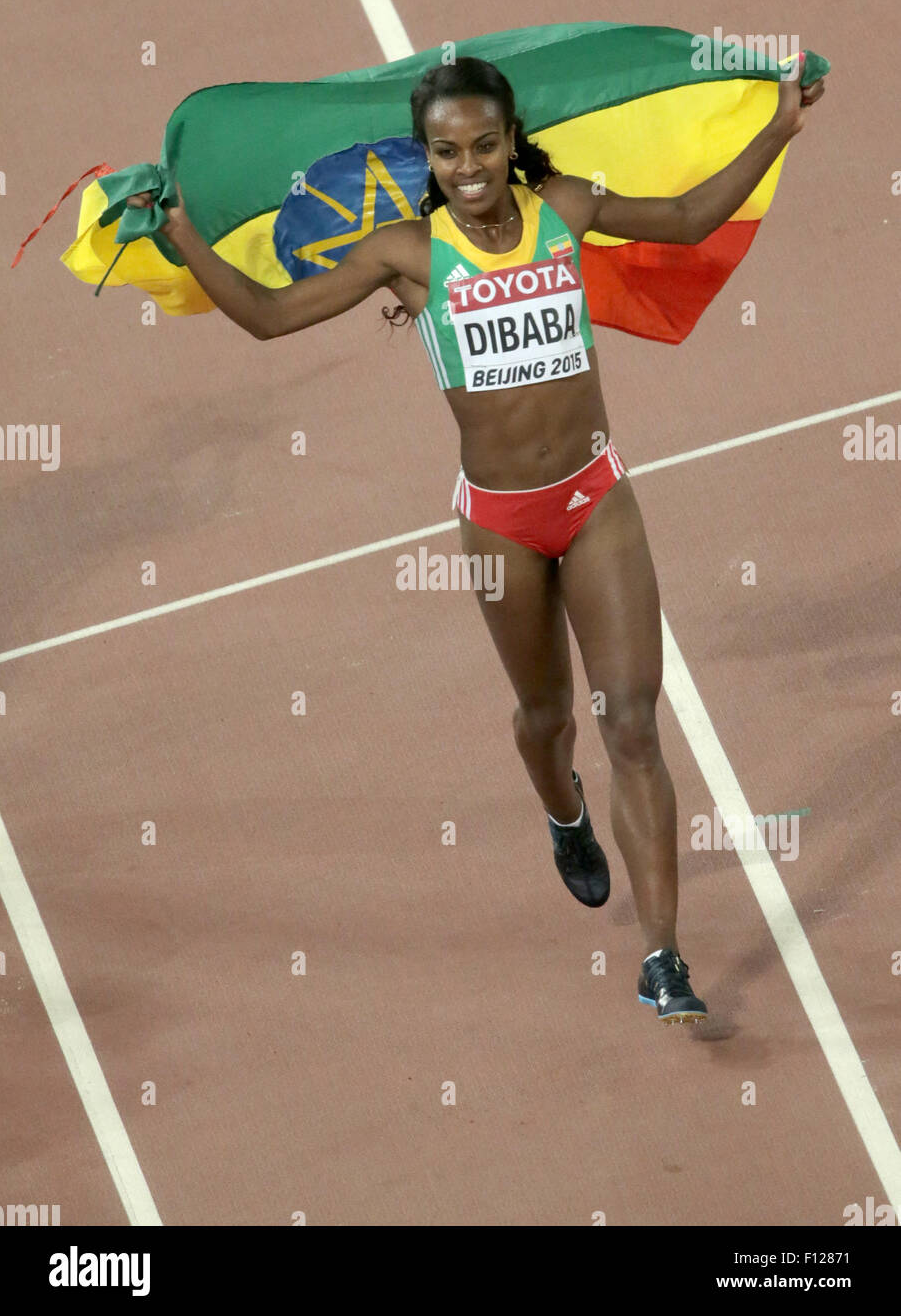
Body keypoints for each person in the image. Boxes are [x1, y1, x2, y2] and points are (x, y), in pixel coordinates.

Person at [127, 53, 825, 1024]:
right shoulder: (408, 254)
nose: (467, 167)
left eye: (484, 146)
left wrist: (778, 127)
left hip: (595, 498)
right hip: (502, 523)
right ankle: (563, 814)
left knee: (631, 719)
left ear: (509, 142)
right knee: (546, 716)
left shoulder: (565, 210)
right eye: (447, 151)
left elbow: (685, 216)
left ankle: (662, 955)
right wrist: (179, 233)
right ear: (427, 154)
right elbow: (270, 317)